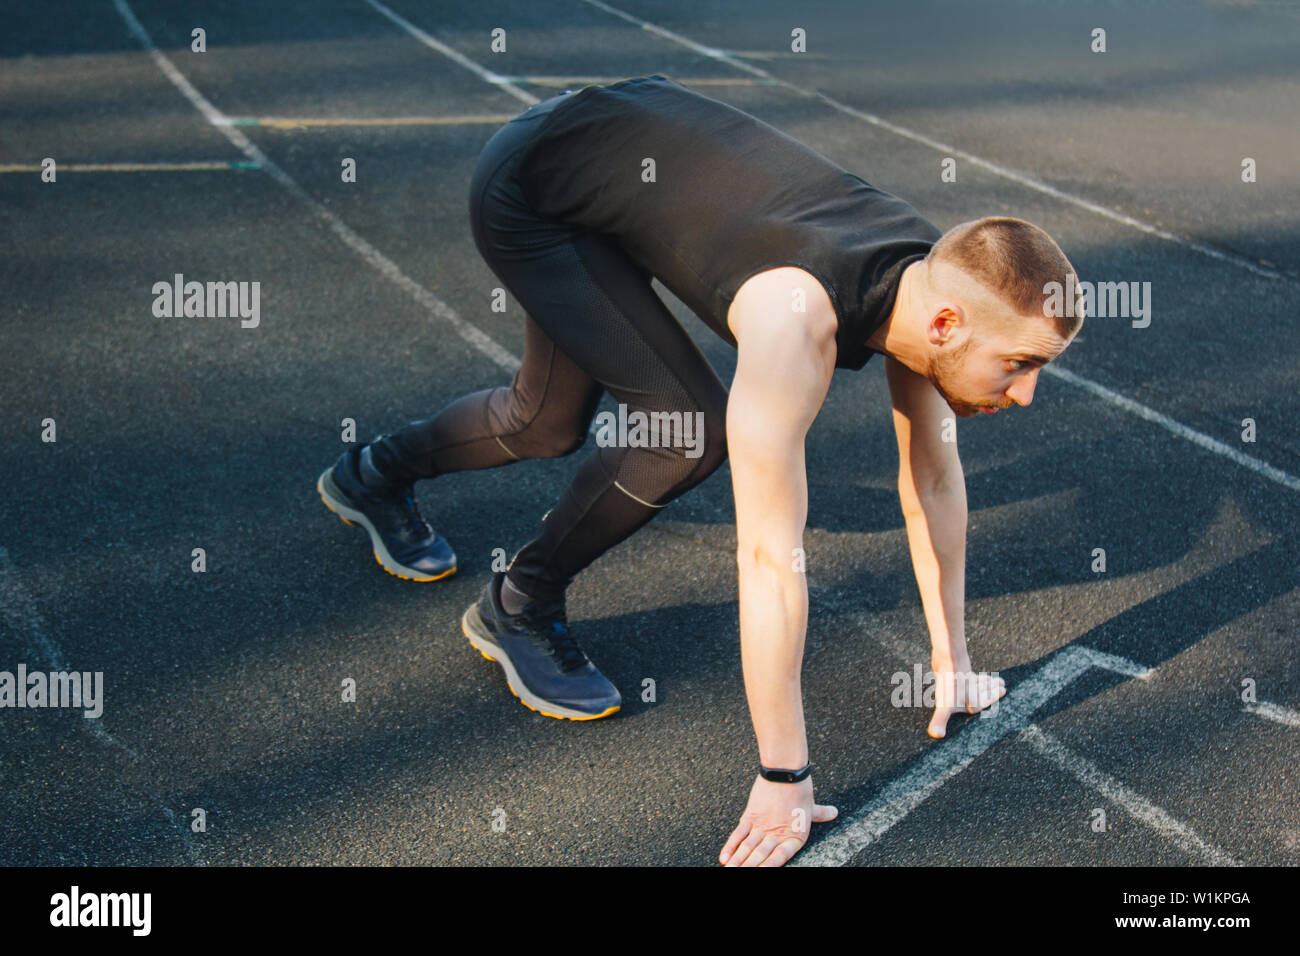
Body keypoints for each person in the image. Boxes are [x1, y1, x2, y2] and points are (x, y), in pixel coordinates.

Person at [316, 74, 1084, 866]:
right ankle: (517, 603)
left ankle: (371, 475)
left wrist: (949, 662)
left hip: (610, 156)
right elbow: (767, 559)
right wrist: (784, 775)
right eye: (1020, 365)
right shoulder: (799, 319)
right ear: (949, 325)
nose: (1026, 395)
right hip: (535, 187)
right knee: (680, 431)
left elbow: (932, 480)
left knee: (544, 419)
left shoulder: (937, 286)